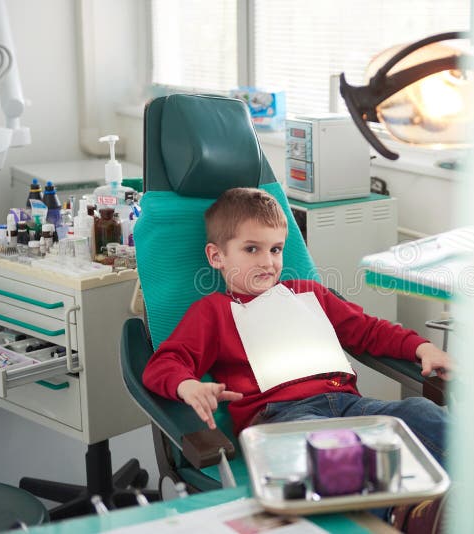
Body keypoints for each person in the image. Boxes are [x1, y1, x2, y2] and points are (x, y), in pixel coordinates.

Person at [142, 188, 452, 465]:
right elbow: (166, 363)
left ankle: (464, 494)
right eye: (252, 249)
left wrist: (422, 347)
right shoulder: (214, 311)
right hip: (282, 419)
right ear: (216, 256)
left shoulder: (309, 293)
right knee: (331, 453)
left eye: (275, 249)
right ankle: (402, 504)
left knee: (421, 413)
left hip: (349, 406)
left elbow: (368, 330)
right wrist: (188, 386)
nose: (268, 262)